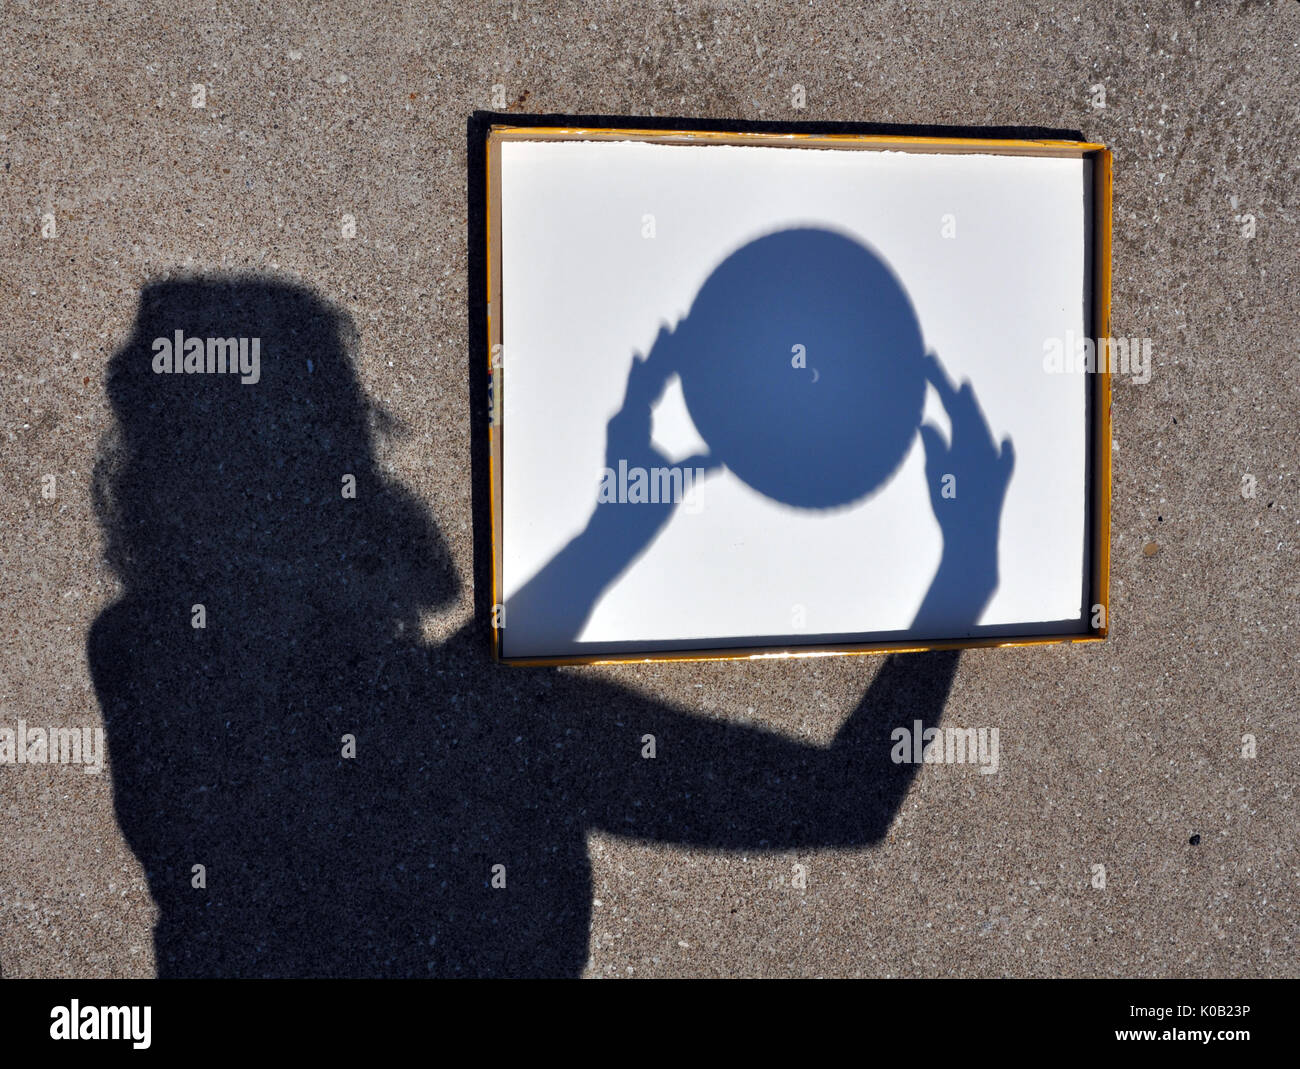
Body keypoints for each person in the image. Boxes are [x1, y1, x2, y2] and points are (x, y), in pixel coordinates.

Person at [90, 274, 1012, 977]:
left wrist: (606, 541)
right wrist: (962, 581)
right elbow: (845, 798)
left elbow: (389, 729)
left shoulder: (147, 667)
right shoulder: (475, 730)